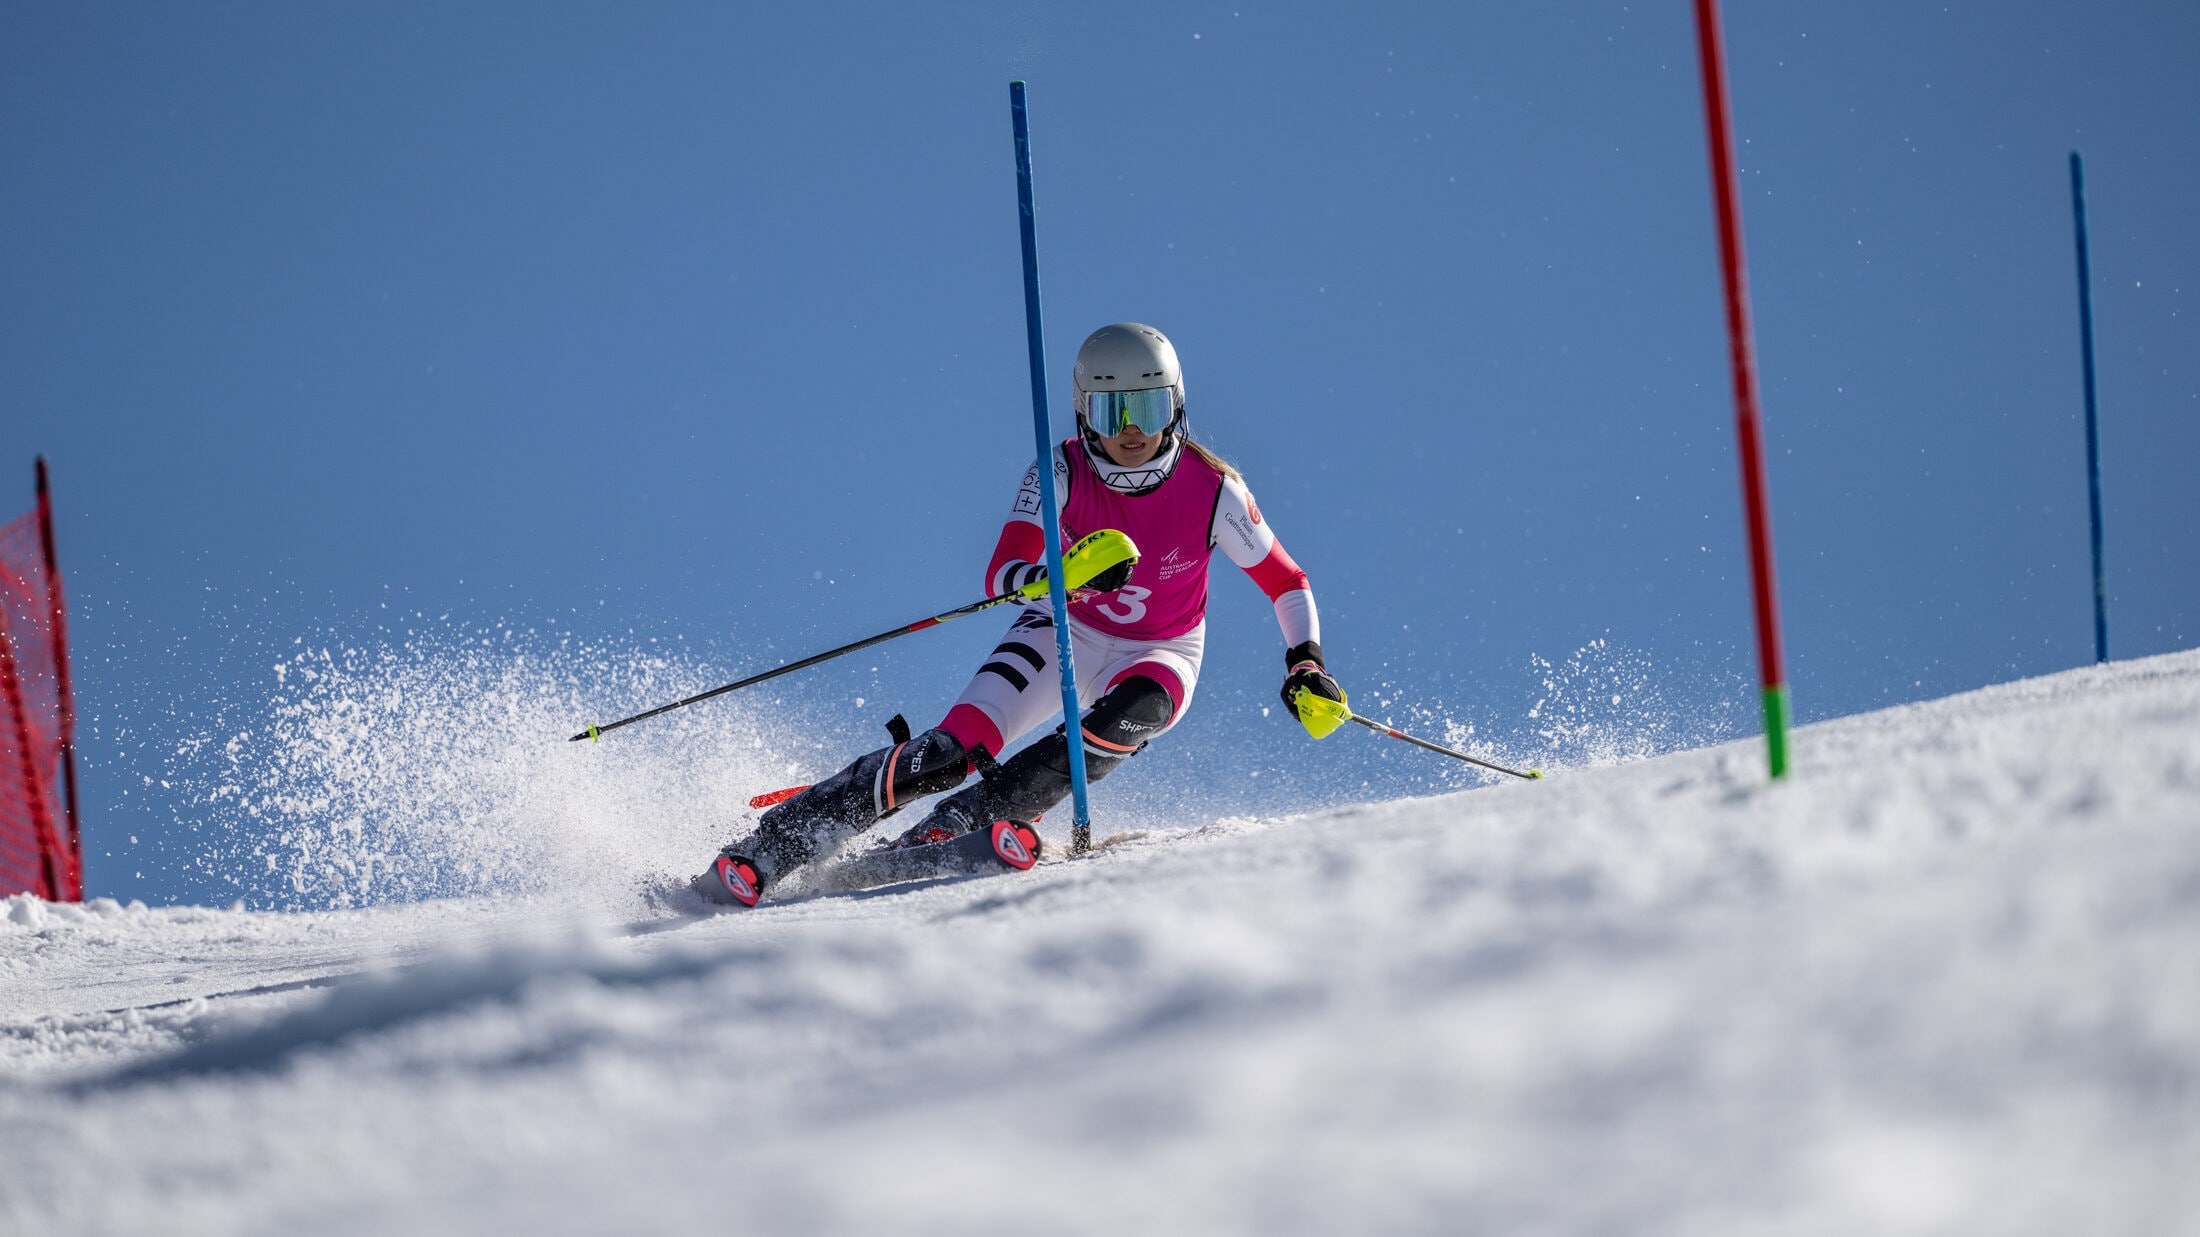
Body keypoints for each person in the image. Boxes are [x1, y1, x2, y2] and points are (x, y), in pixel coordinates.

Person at [702, 322, 1345, 906]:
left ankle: (947, 830)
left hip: (1164, 650)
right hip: (1060, 629)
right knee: (952, 752)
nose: (1130, 430)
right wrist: (1061, 584)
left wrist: (1305, 662)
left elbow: (1286, 580)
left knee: (1130, 716)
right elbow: (1002, 573)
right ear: (1082, 409)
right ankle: (777, 844)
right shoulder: (1059, 470)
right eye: (1110, 408)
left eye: (1146, 407)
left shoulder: (1213, 489)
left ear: (1174, 405)